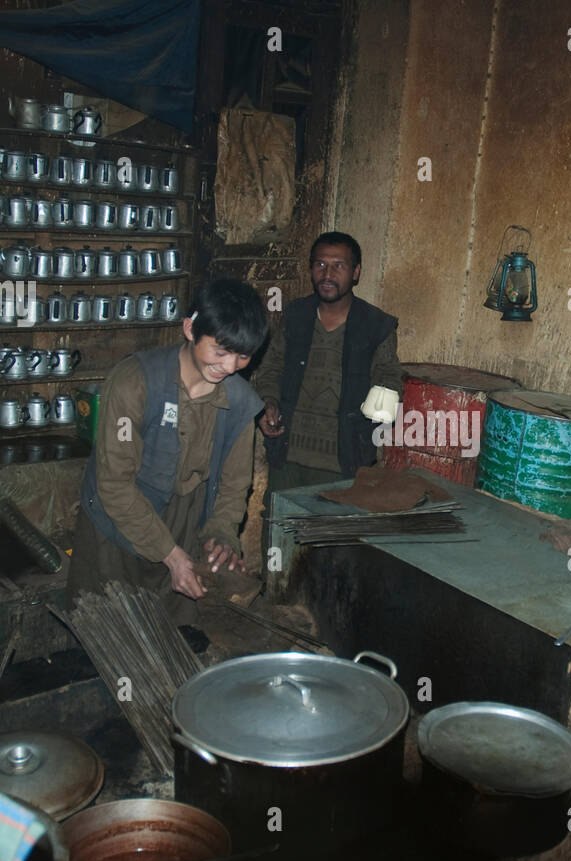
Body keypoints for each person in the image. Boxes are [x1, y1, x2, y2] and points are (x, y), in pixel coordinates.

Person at [67, 279, 267, 625]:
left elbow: (234, 487)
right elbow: (114, 485)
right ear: (190, 328)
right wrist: (169, 555)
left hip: (184, 524)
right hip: (115, 525)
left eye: (243, 356)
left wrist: (221, 535)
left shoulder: (241, 403)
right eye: (220, 351)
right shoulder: (136, 382)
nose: (231, 366)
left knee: (170, 635)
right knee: (108, 629)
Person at [255, 232, 402, 492]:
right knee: (281, 529)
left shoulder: (376, 326)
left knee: (332, 531)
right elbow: (271, 369)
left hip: (344, 461)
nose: (327, 274)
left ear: (355, 272)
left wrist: (376, 415)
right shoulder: (294, 316)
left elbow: (388, 378)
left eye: (339, 266)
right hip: (287, 455)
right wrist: (268, 404)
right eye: (320, 264)